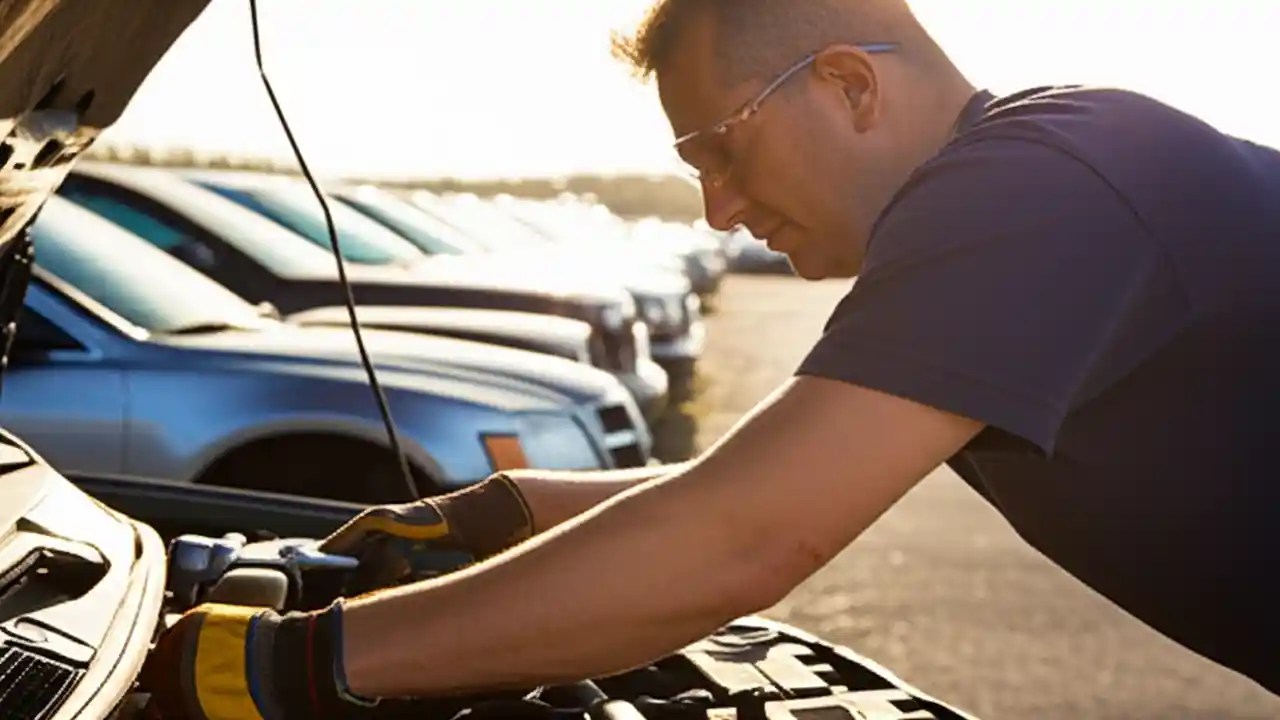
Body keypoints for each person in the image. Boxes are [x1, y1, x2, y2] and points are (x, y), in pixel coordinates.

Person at [141, 0, 1280, 716]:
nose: (717, 209)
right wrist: (502, 511)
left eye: (717, 149)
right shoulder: (1040, 192)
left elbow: (745, 536)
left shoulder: (1042, 182)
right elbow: (783, 477)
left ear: (848, 82)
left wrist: (285, 667)